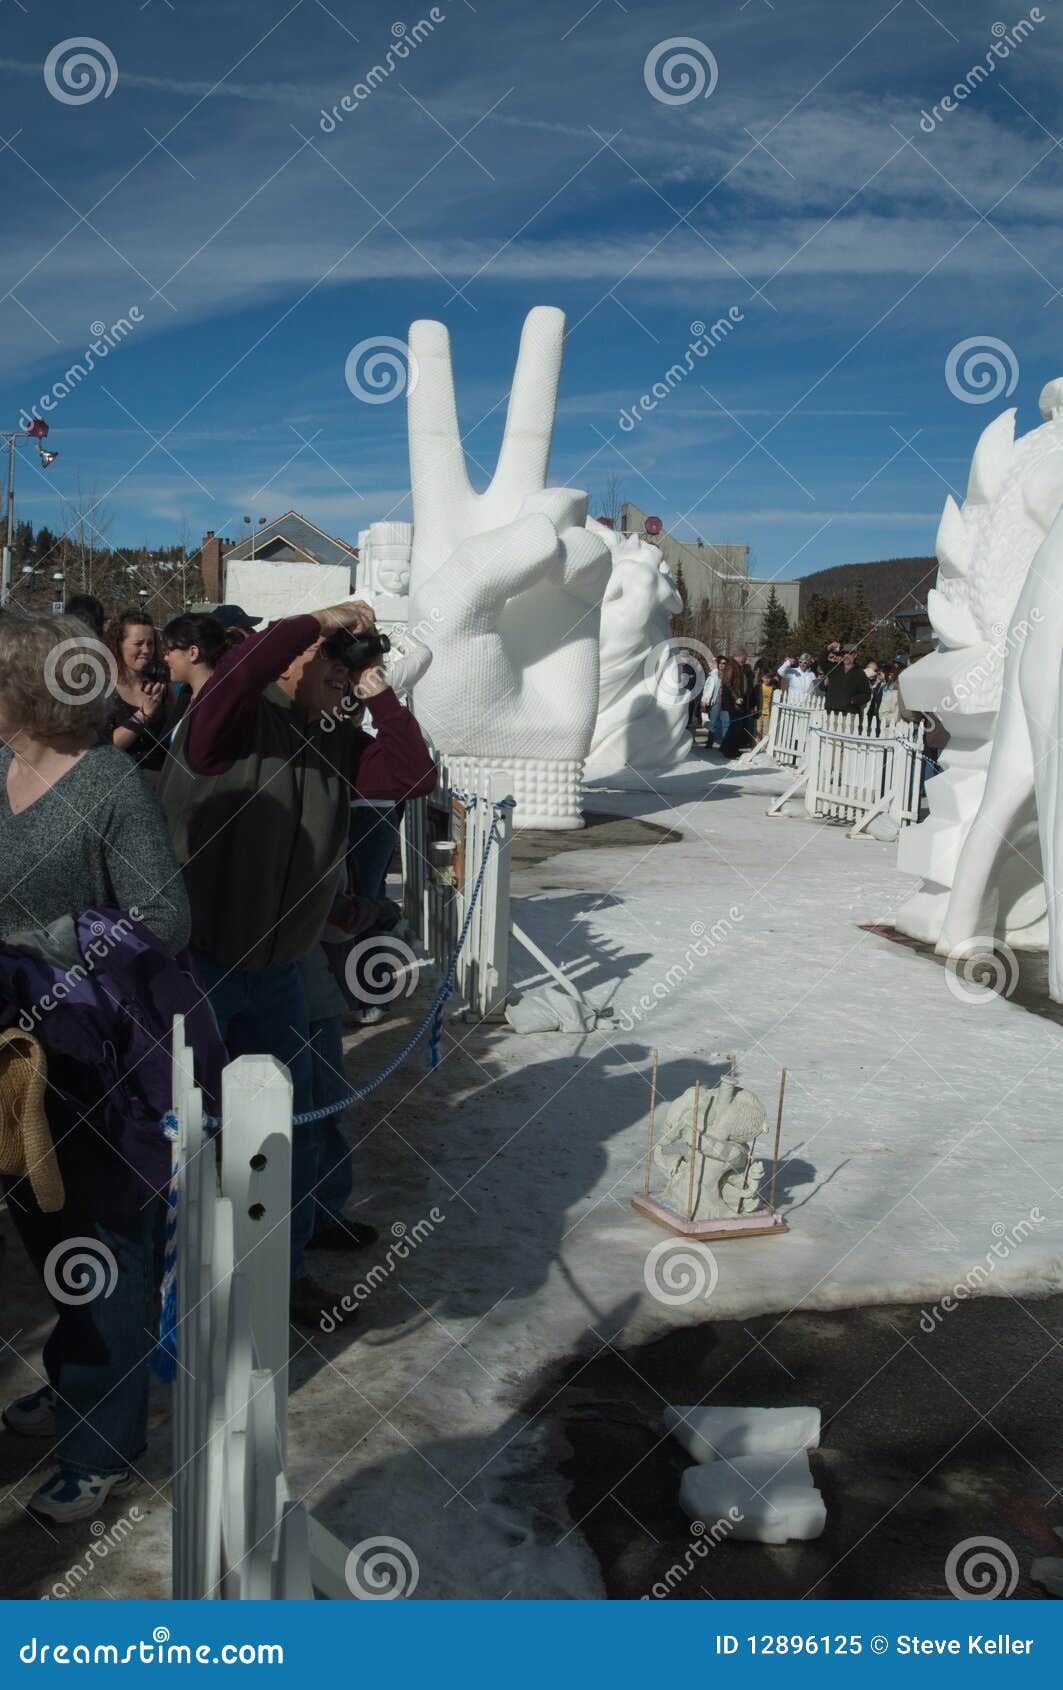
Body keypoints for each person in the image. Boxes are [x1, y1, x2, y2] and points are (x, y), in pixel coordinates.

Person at [156, 602, 436, 1325]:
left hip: (279, 971)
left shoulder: (333, 740)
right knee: (198, 1130)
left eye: (351, 672)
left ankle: (281, 1276)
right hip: (203, 966)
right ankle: (188, 1283)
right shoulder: (227, 722)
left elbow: (411, 778)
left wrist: (378, 694)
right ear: (287, 661)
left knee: (278, 1134)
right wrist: (315, 620)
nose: (342, 681)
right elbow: (245, 666)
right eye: (330, 667)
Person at [0, 614, 191, 1522]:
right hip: (9, 1062)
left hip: (93, 1062)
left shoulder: (109, 779)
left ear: (24, 688)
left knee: (102, 1253)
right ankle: (75, 1381)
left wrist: (31, 948)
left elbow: (166, 919)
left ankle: (104, 1443)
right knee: (42, 1237)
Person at [102, 611, 175, 779]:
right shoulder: (103, 688)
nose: (146, 650)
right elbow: (107, 745)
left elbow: (171, 732)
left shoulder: (159, 682)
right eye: (138, 643)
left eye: (150, 643)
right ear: (118, 645)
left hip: (159, 781)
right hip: (120, 783)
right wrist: (143, 714)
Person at [717, 655, 757, 757]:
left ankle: (727, 747)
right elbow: (728, 684)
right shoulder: (731, 666)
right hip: (733, 702)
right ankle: (729, 750)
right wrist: (736, 698)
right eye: (744, 658)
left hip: (739, 702)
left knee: (736, 726)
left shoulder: (739, 668)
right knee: (735, 726)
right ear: (738, 656)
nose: (745, 659)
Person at [824, 648, 872, 718]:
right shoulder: (834, 669)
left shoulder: (860, 673)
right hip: (830, 711)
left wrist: (853, 700)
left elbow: (866, 694)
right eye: (843, 654)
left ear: (855, 655)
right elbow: (822, 662)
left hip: (848, 714)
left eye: (849, 653)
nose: (845, 656)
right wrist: (829, 647)